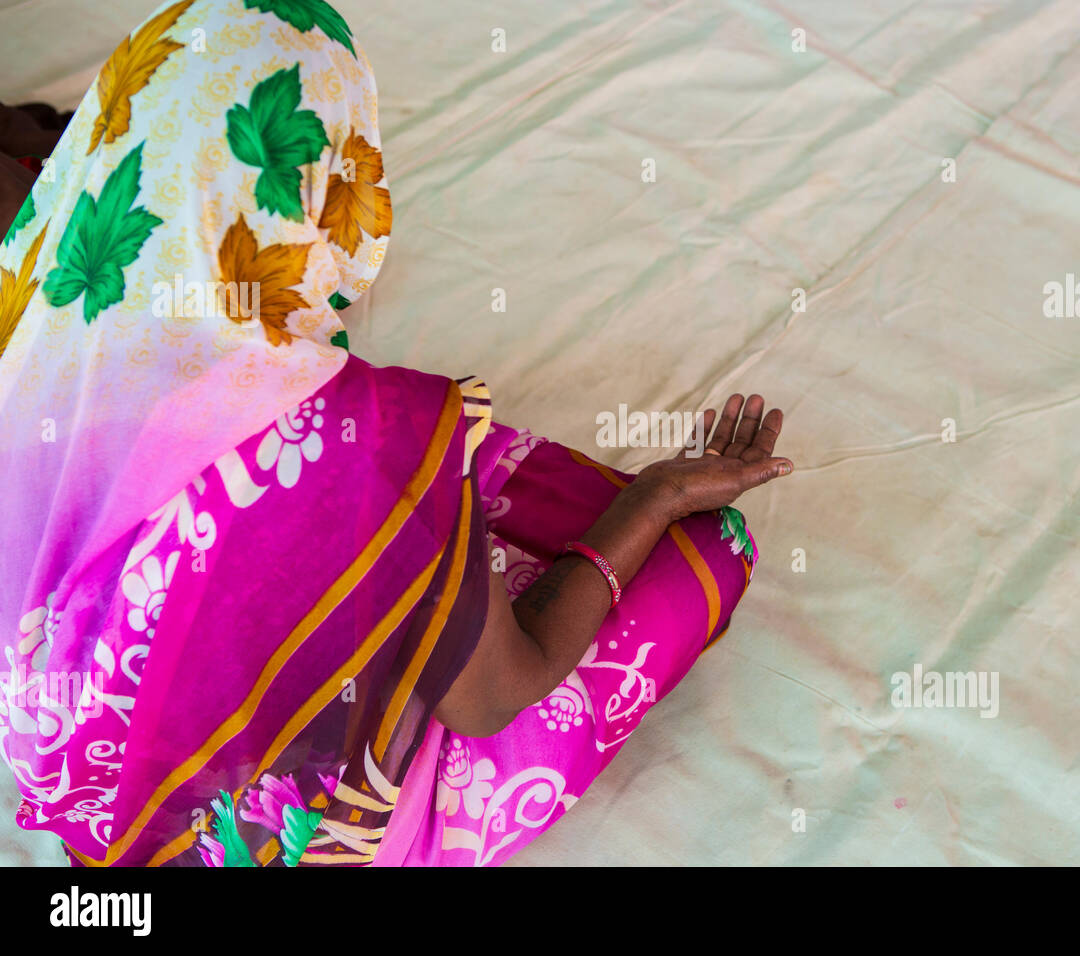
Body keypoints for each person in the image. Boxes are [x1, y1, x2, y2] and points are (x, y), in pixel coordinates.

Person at [0, 0, 792, 867]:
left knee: (438, 461)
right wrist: (653, 501)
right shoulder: (357, 440)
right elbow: (499, 697)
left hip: (108, 819)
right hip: (279, 839)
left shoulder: (36, 339)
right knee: (702, 551)